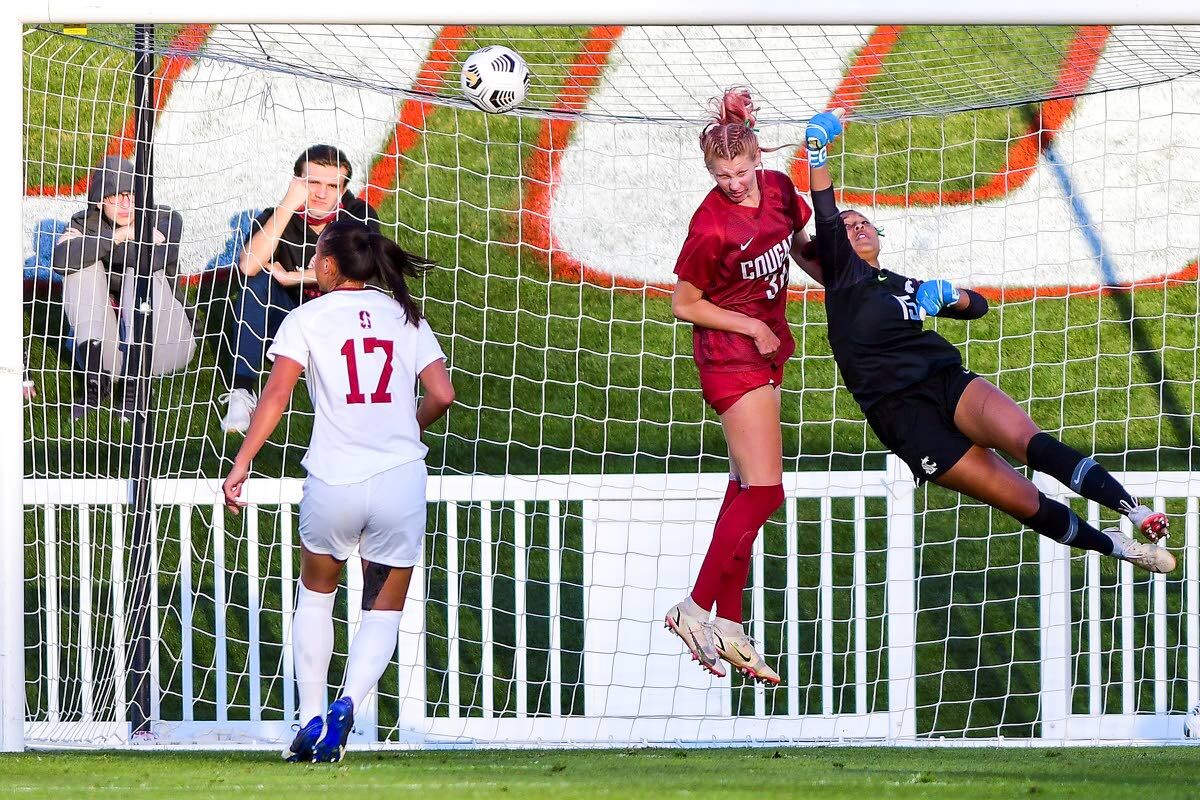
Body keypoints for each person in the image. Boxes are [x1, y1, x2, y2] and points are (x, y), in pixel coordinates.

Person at [798, 108, 1173, 577]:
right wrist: (816, 148)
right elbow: (822, 209)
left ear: (880, 235)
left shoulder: (900, 282)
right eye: (847, 226)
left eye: (864, 222)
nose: (855, 227)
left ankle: (1137, 512)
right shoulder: (844, 279)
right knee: (1023, 500)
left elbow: (978, 308)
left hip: (946, 382)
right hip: (906, 420)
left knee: (1029, 443)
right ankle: (1118, 548)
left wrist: (949, 295)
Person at [221, 220, 454, 763]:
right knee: (382, 608)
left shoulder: (306, 318)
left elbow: (275, 398)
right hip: (399, 478)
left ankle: (309, 717)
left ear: (327, 265)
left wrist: (242, 464)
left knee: (317, 595)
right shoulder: (407, 317)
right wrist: (408, 429)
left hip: (334, 478)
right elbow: (442, 393)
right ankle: (348, 704)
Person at [664, 88, 815, 686]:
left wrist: (847, 283)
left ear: (756, 157)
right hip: (732, 354)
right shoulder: (710, 226)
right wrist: (750, 322)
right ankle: (694, 608)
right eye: (719, 174)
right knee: (765, 492)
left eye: (738, 170)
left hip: (769, 345)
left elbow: (799, 245)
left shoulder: (779, 189)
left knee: (742, 487)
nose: (731, 182)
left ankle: (729, 620)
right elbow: (683, 303)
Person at [220, 144, 381, 434]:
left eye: (332, 185)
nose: (321, 193)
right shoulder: (277, 215)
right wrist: (287, 206)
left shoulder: (358, 215)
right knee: (256, 284)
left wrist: (297, 277)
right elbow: (248, 266)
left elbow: (365, 274)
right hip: (289, 322)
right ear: (297, 182)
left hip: (338, 321)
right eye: (312, 182)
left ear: (343, 188)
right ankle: (242, 391)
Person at [50, 155, 196, 418]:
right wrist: (122, 235)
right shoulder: (83, 223)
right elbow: (61, 261)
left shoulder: (166, 218)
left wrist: (91, 245)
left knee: (137, 271)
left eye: (131, 194)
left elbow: (151, 261)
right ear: (99, 199)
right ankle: (95, 383)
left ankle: (138, 387)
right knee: (80, 270)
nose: (127, 204)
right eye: (116, 195)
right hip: (109, 355)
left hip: (164, 343)